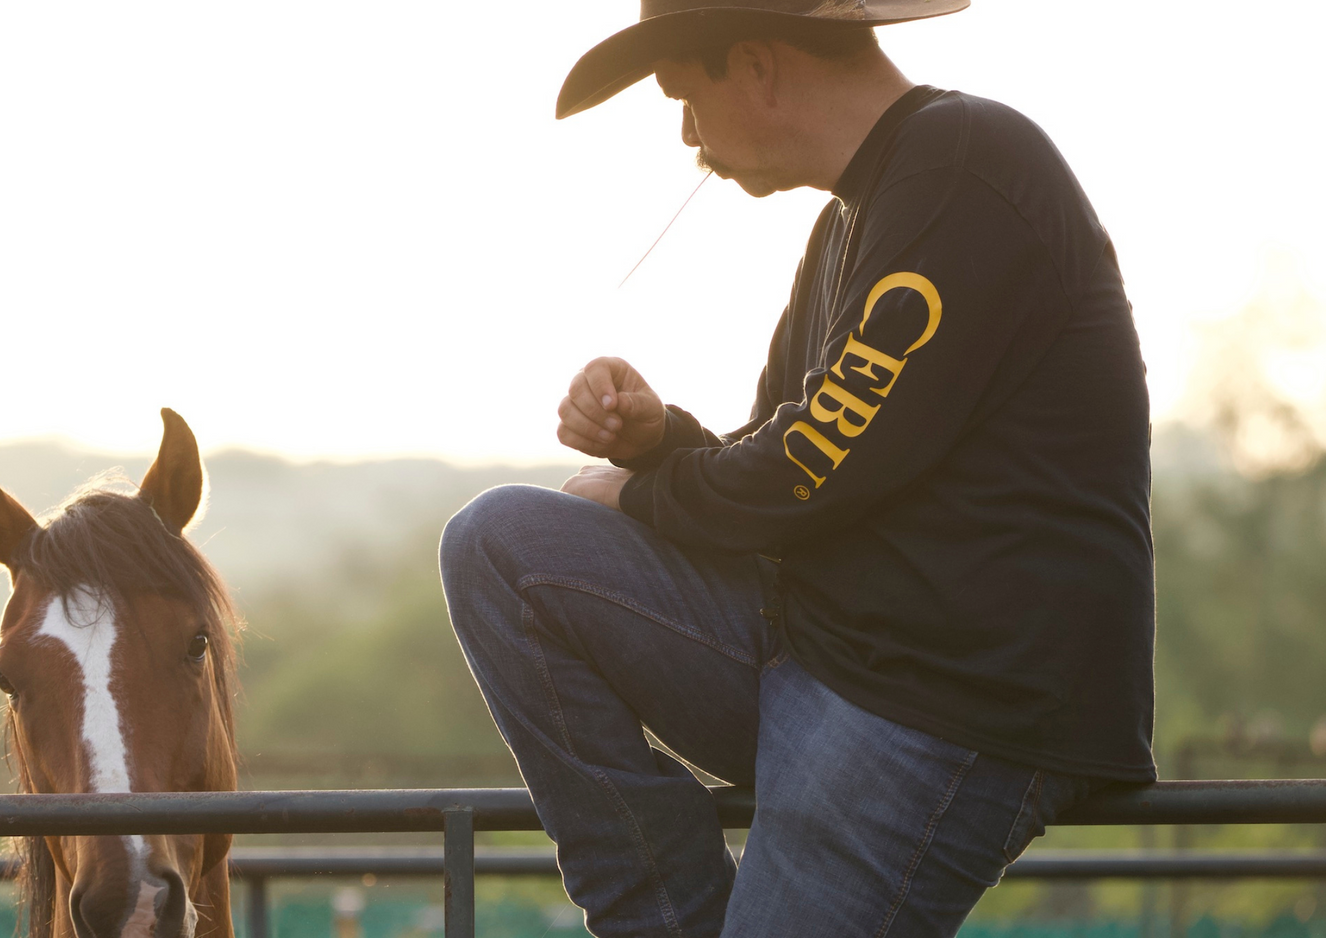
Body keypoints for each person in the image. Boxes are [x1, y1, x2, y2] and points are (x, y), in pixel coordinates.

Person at [439, 2, 1156, 936]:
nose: (687, 137)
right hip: (826, 650)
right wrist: (660, 443)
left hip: (945, 702)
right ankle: (664, 918)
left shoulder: (965, 163)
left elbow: (817, 464)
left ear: (757, 66)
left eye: (684, 97)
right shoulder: (852, 222)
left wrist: (649, 489)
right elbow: (787, 459)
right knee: (501, 545)